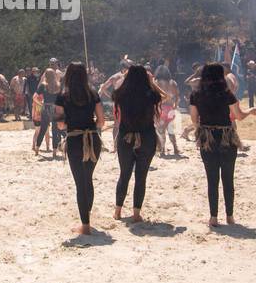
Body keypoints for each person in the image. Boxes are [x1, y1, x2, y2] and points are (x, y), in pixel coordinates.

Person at [189, 63, 250, 226]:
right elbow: (238, 115)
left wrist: (202, 129)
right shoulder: (226, 93)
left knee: (212, 179)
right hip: (226, 137)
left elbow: (194, 119)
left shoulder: (196, 94)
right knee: (228, 178)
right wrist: (252, 110)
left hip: (207, 137)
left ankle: (213, 217)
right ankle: (229, 216)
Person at [54, 61, 105, 235]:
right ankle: (87, 217)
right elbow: (102, 121)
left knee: (80, 183)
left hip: (75, 140)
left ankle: (85, 225)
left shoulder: (62, 96)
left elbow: (60, 125)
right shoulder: (93, 94)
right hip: (92, 140)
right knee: (88, 179)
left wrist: (72, 122)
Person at [111, 65, 163, 222]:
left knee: (124, 175)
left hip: (125, 136)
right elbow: (164, 97)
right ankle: (136, 213)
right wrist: (151, 82)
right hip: (147, 136)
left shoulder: (121, 94)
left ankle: (118, 211)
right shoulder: (151, 94)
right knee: (141, 176)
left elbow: (113, 94)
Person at [33, 58, 62, 157]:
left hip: (45, 108)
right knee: (55, 130)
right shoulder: (58, 85)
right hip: (55, 108)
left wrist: (41, 104)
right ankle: (54, 151)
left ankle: (37, 149)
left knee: (43, 129)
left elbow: (34, 97)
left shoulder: (43, 85)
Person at [153, 65, 180, 157]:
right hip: (170, 109)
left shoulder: (155, 82)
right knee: (171, 129)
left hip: (160, 109)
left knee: (161, 130)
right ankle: (175, 148)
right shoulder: (173, 83)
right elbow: (177, 97)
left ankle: (162, 149)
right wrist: (175, 106)